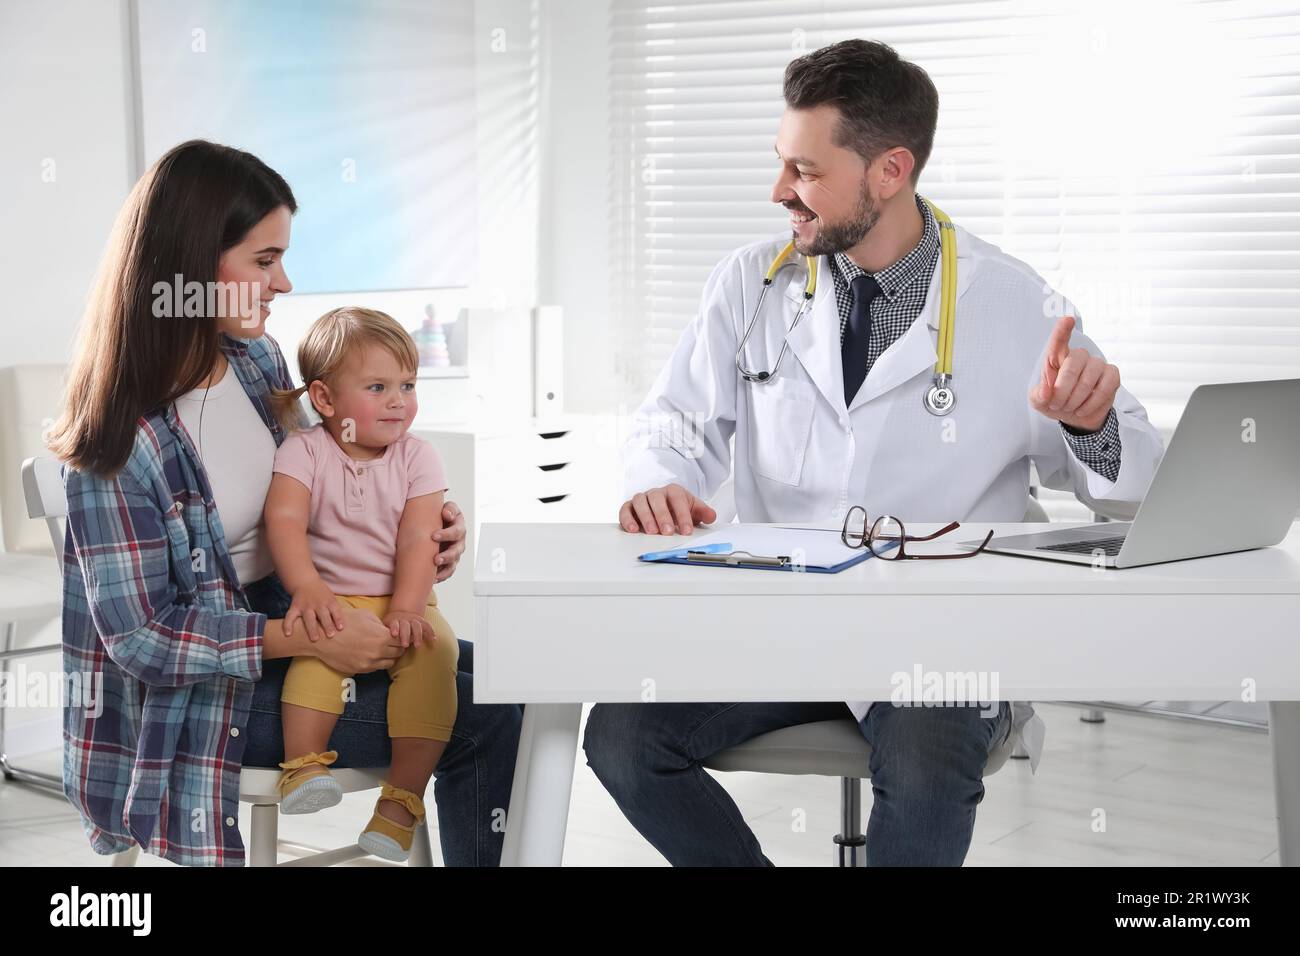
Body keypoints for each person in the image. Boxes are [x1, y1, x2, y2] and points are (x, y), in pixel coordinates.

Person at [585, 39, 1164, 866]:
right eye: (782, 164)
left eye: (806, 171)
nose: (780, 190)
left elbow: (1126, 481)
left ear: (891, 171)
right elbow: (672, 423)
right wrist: (657, 482)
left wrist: (1087, 422)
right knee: (623, 735)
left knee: (927, 764)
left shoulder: (1012, 302)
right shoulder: (751, 282)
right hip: (786, 626)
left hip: (942, 641)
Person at [48, 139, 521, 866]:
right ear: (193, 264)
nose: (285, 283)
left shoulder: (255, 362)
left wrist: (419, 529)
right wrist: (306, 639)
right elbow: (139, 639)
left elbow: (331, 483)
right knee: (492, 711)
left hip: (298, 620)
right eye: (264, 261)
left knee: (505, 676)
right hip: (201, 700)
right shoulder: (120, 441)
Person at [264, 306, 460, 862]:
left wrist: (407, 608)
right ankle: (301, 768)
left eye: (408, 384)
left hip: (405, 593)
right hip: (333, 596)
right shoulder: (303, 450)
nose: (400, 400)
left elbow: (419, 537)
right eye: (379, 387)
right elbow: (284, 521)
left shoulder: (418, 456)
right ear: (325, 401)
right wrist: (306, 588)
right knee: (315, 655)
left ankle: (401, 803)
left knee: (434, 653)